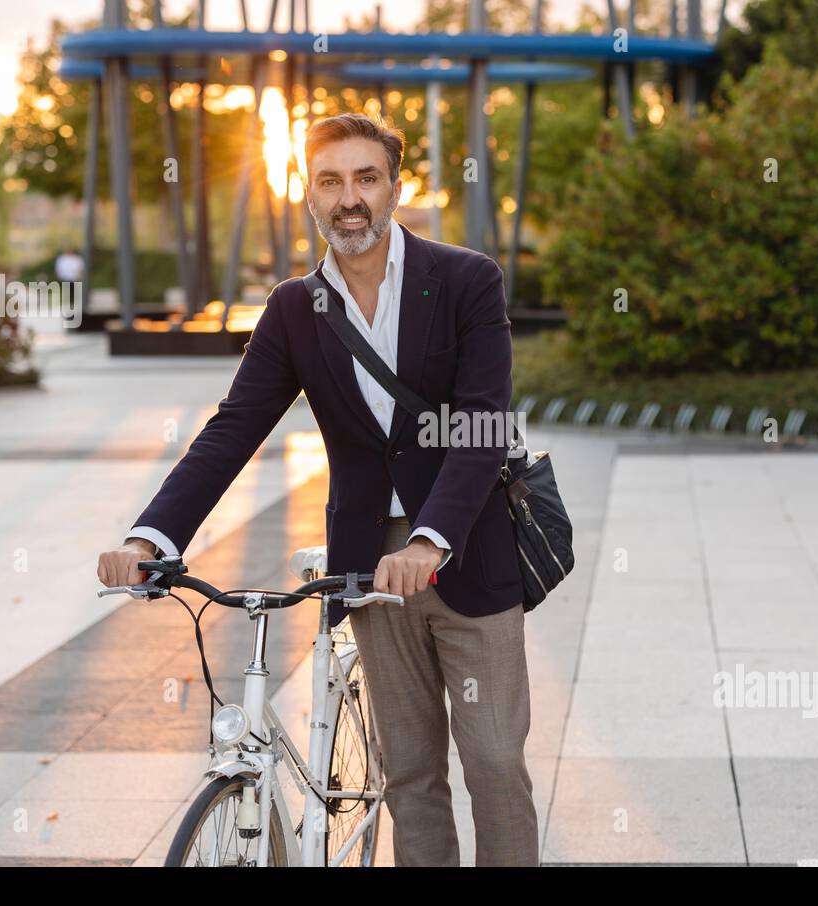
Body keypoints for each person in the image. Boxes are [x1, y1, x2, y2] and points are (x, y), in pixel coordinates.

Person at [96, 113, 537, 867]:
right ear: (309, 196)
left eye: (366, 177)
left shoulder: (465, 279)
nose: (349, 198)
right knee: (411, 778)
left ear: (395, 186)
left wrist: (431, 540)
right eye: (330, 181)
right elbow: (233, 428)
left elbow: (481, 425)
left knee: (493, 762)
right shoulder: (296, 309)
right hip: (367, 566)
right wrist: (150, 536)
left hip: (466, 554)